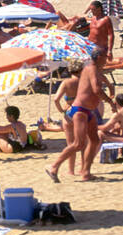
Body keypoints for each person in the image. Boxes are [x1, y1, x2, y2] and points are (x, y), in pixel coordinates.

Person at [46, 54, 112, 183]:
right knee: (78, 143)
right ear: (98, 57)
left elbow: (56, 99)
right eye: (105, 56)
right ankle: (53, 166)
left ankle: (85, 172)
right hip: (79, 110)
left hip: (83, 111)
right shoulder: (91, 69)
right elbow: (97, 89)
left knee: (93, 140)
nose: (107, 58)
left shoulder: (89, 72)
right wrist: (110, 101)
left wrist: (61, 110)